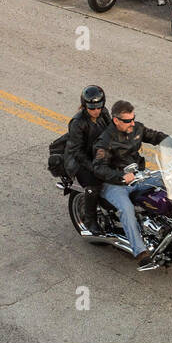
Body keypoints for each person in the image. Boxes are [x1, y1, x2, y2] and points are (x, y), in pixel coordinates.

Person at [91, 101, 169, 268]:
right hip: (114, 184)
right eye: (127, 120)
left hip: (138, 176)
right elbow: (98, 168)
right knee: (127, 209)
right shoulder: (104, 141)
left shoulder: (136, 128)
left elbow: (154, 136)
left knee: (168, 180)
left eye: (133, 118)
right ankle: (140, 252)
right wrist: (121, 177)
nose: (132, 123)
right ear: (116, 120)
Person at [63, 86, 112, 234]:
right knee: (94, 183)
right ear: (85, 106)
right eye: (92, 108)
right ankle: (90, 220)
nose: (96, 110)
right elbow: (76, 151)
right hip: (79, 160)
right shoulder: (77, 123)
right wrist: (93, 167)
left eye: (99, 106)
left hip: (97, 153)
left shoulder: (104, 113)